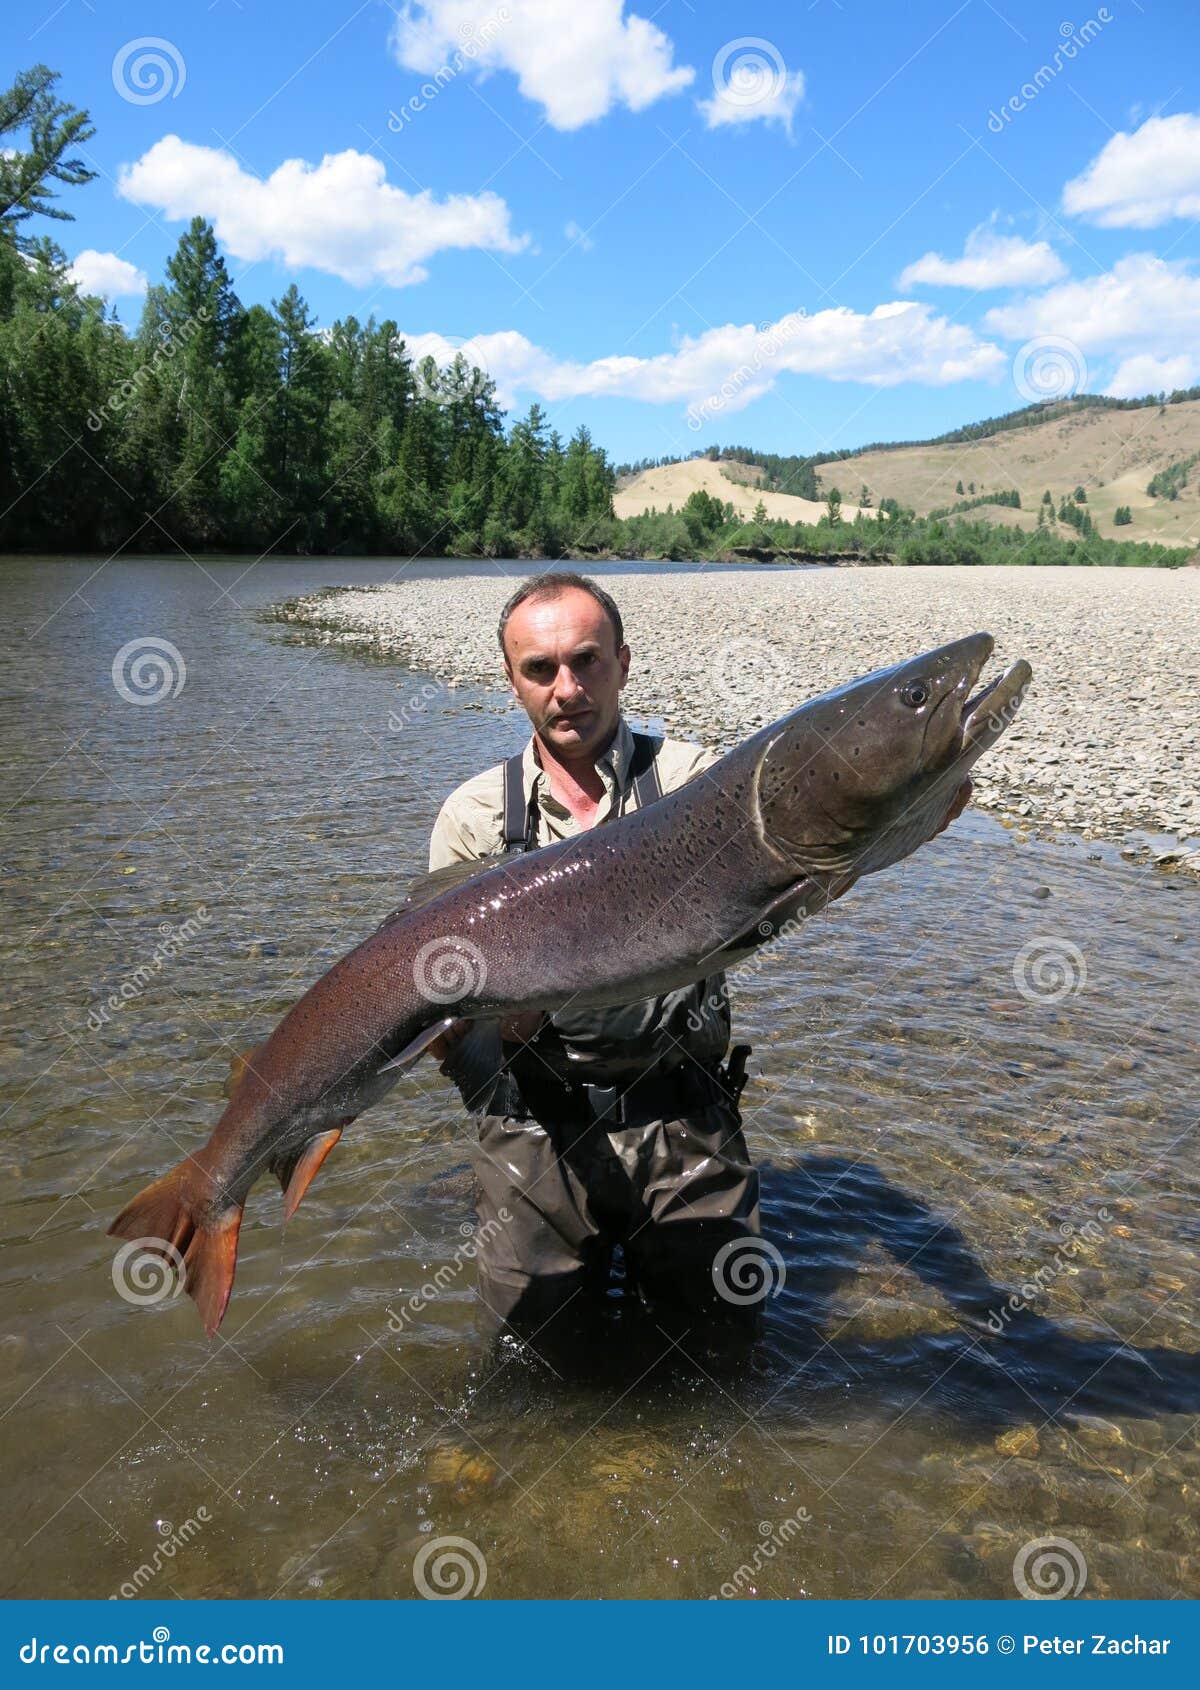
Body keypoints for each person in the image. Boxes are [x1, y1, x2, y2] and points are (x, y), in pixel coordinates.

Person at [427, 571, 762, 1350]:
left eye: (587, 661)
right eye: (540, 670)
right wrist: (485, 1024)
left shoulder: (692, 783)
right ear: (512, 681)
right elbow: (443, 1017)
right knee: (536, 1375)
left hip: (685, 1118)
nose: (567, 688)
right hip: (535, 1127)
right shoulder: (473, 817)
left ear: (625, 662)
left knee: (721, 1361)